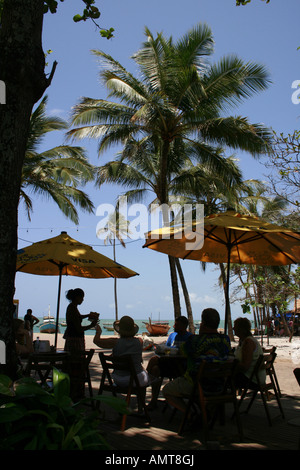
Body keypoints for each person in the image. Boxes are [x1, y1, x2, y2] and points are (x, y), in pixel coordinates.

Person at [162, 308, 231, 414]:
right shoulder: (226, 340)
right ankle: (205, 410)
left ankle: (190, 414)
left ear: (203, 323)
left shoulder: (194, 341)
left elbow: (182, 352)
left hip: (197, 384)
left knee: (167, 390)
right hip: (219, 385)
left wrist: (201, 334)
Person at [146, 316, 193, 410]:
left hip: (182, 368)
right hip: (170, 364)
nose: (174, 326)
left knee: (154, 360)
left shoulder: (190, 338)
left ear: (184, 326)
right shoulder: (172, 336)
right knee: (155, 369)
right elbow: (166, 349)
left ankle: (146, 378)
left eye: (177, 325)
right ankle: (153, 400)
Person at [93, 315, 150, 388]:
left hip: (119, 380)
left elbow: (96, 341)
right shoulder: (140, 341)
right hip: (136, 380)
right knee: (144, 371)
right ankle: (142, 399)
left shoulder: (115, 342)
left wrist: (98, 331)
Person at [63, 288, 99, 401]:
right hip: (75, 341)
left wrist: (88, 315)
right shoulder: (72, 309)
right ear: (77, 297)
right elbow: (78, 329)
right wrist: (91, 325)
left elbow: (76, 319)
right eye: (82, 297)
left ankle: (74, 391)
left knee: (75, 366)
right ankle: (75, 392)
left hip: (73, 339)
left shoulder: (73, 308)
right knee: (76, 365)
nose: (83, 300)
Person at [233, 317, 266, 388]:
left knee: (223, 379)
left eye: (235, 327)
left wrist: (232, 364)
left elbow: (245, 366)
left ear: (242, 329)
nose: (233, 328)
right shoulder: (245, 341)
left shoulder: (248, 342)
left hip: (252, 379)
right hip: (253, 377)